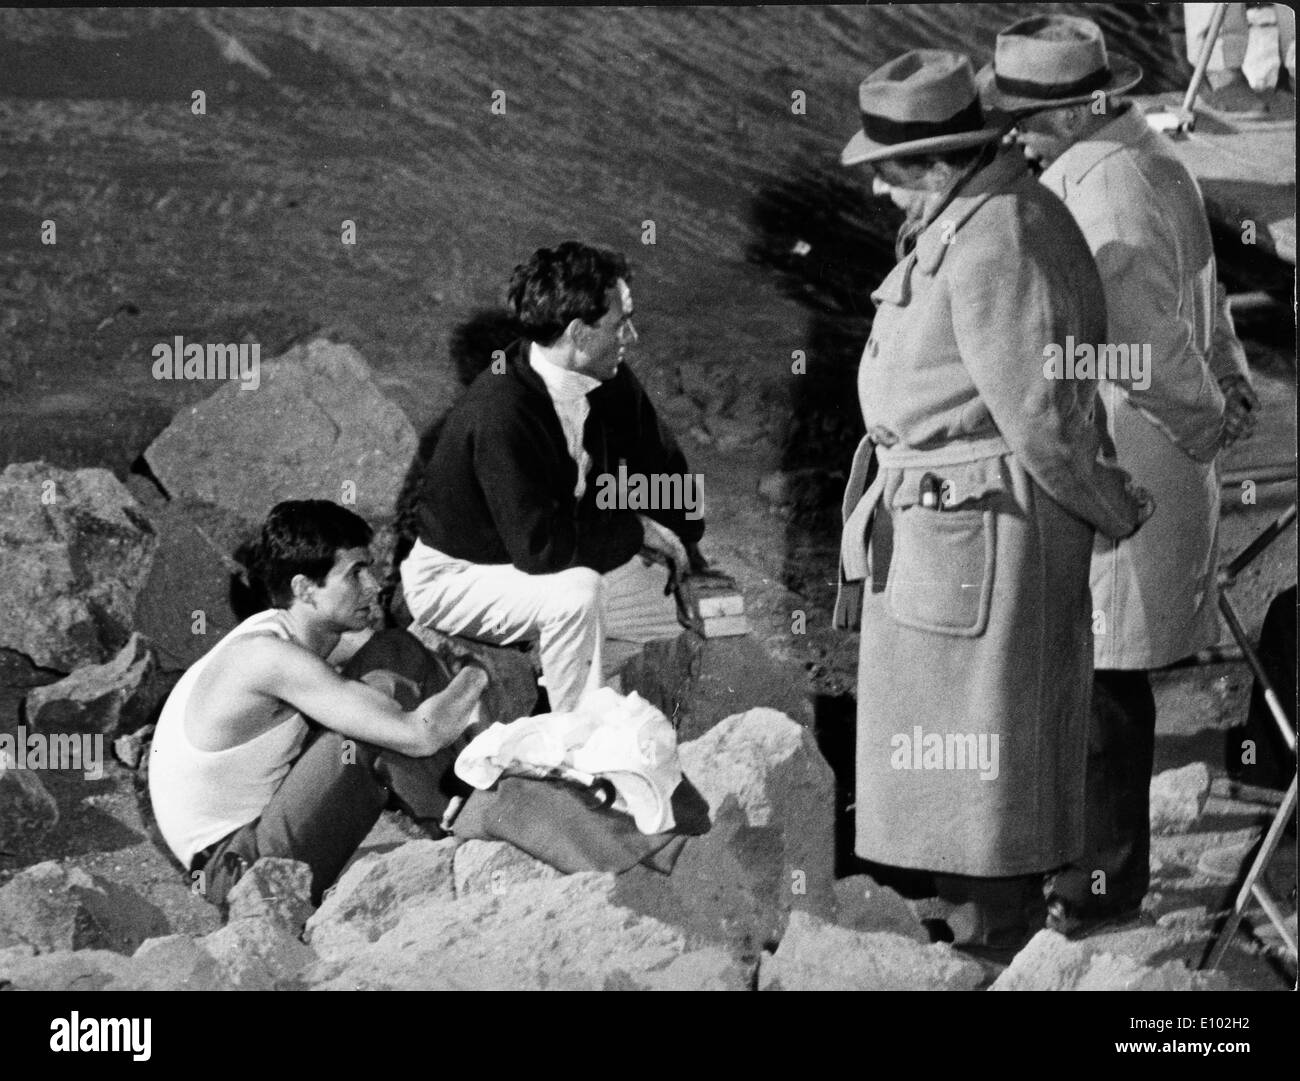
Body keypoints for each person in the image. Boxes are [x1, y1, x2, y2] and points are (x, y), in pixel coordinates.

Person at [834, 49, 1152, 954]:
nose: (880, 194)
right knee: (953, 759)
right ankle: (985, 929)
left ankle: (995, 944)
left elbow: (1046, 414)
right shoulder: (973, 218)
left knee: (980, 764)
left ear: (938, 164)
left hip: (983, 536)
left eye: (890, 175)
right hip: (948, 531)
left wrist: (1109, 504)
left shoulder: (1001, 236)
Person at [980, 12, 1260, 935]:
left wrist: (1208, 413)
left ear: (1085, 106)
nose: (1013, 129)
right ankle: (1097, 871)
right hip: (1151, 454)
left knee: (1100, 682)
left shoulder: (1099, 195)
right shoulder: (1153, 160)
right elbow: (1206, 298)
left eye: (1031, 113)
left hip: (1132, 454)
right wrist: (1229, 382)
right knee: (1102, 675)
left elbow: (1142, 346)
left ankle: (1099, 890)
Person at [400, 241, 710, 713]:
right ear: (579, 334)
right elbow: (540, 548)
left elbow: (669, 479)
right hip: (462, 575)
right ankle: (572, 745)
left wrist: (683, 547)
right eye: (619, 324)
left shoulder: (610, 380)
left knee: (688, 616)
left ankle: (577, 687)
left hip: (551, 557)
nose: (632, 336)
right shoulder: (501, 408)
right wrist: (636, 530)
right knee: (576, 595)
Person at [149, 500, 489, 906]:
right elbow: (419, 735)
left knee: (394, 652)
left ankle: (475, 785)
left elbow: (399, 662)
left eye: (370, 568)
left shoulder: (296, 633)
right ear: (304, 589)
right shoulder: (267, 657)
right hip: (240, 873)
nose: (375, 584)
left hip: (264, 827)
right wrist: (480, 672)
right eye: (354, 574)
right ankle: (472, 814)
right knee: (365, 736)